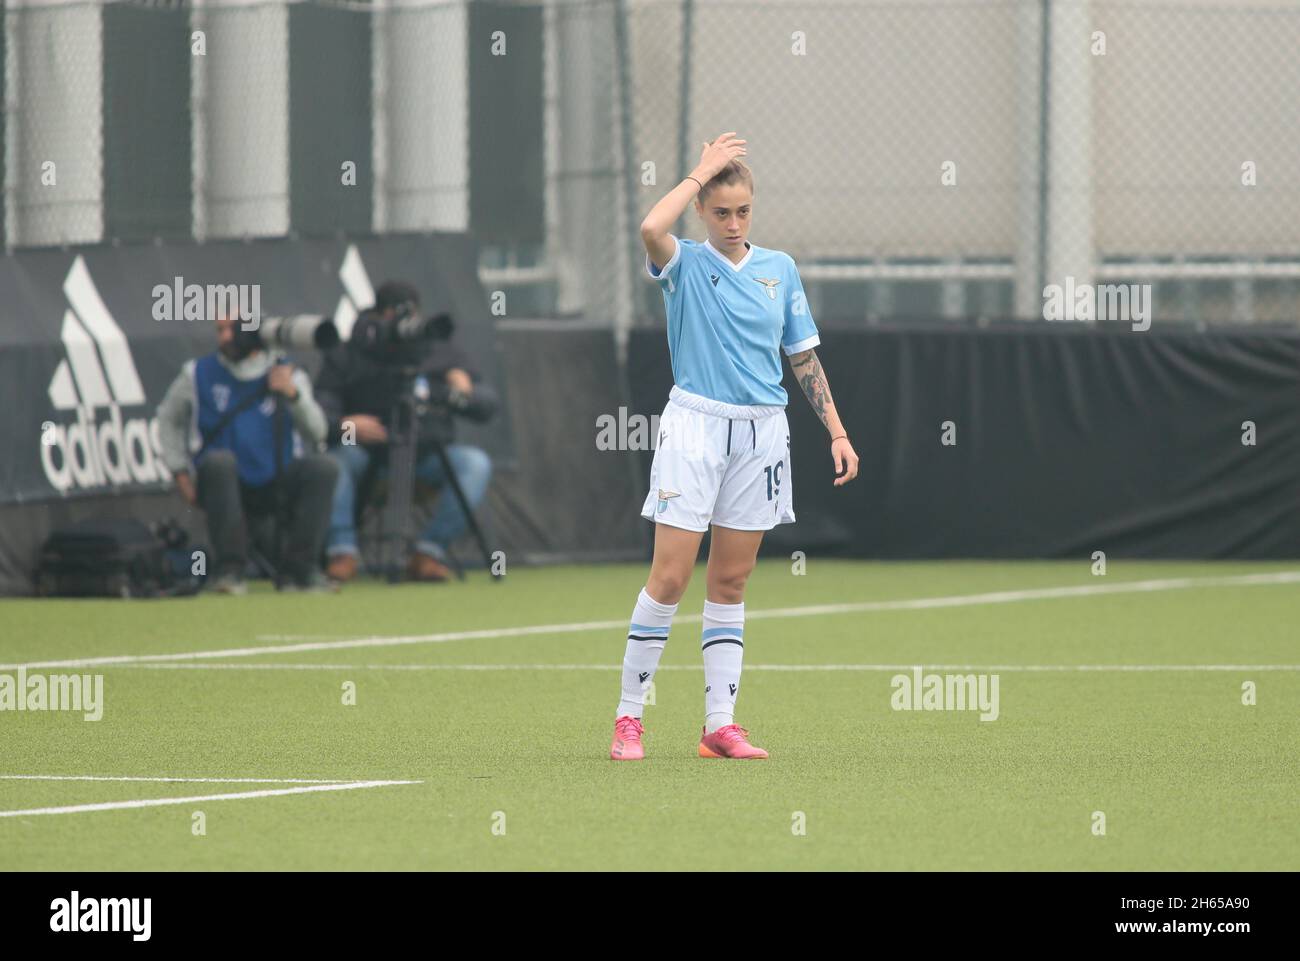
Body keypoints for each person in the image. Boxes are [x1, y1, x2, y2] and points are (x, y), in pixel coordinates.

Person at [611, 133, 861, 761]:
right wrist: (699, 172)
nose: (732, 222)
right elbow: (648, 224)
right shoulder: (685, 261)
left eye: (743, 210)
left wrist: (836, 430)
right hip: (695, 425)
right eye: (721, 211)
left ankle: (719, 726)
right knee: (669, 576)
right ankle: (629, 718)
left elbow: (801, 355)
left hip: (762, 432)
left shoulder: (780, 268)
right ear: (702, 211)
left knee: (731, 578)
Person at [316, 281, 497, 583]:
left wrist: (463, 393)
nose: (402, 326)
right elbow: (319, 413)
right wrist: (345, 426)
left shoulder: (438, 350)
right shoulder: (348, 353)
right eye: (393, 317)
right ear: (378, 315)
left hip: (424, 454)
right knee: (335, 461)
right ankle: (341, 552)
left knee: (475, 463)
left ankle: (428, 552)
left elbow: (487, 405)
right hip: (364, 453)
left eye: (410, 317)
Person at [156, 312, 338, 593]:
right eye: (220, 330)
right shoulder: (196, 373)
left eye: (233, 329)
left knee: (324, 468)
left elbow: (319, 432)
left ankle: (300, 570)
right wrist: (180, 472)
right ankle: (230, 570)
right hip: (223, 484)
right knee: (219, 462)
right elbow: (168, 419)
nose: (225, 337)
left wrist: (292, 395)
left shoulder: (289, 374)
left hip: (275, 480)